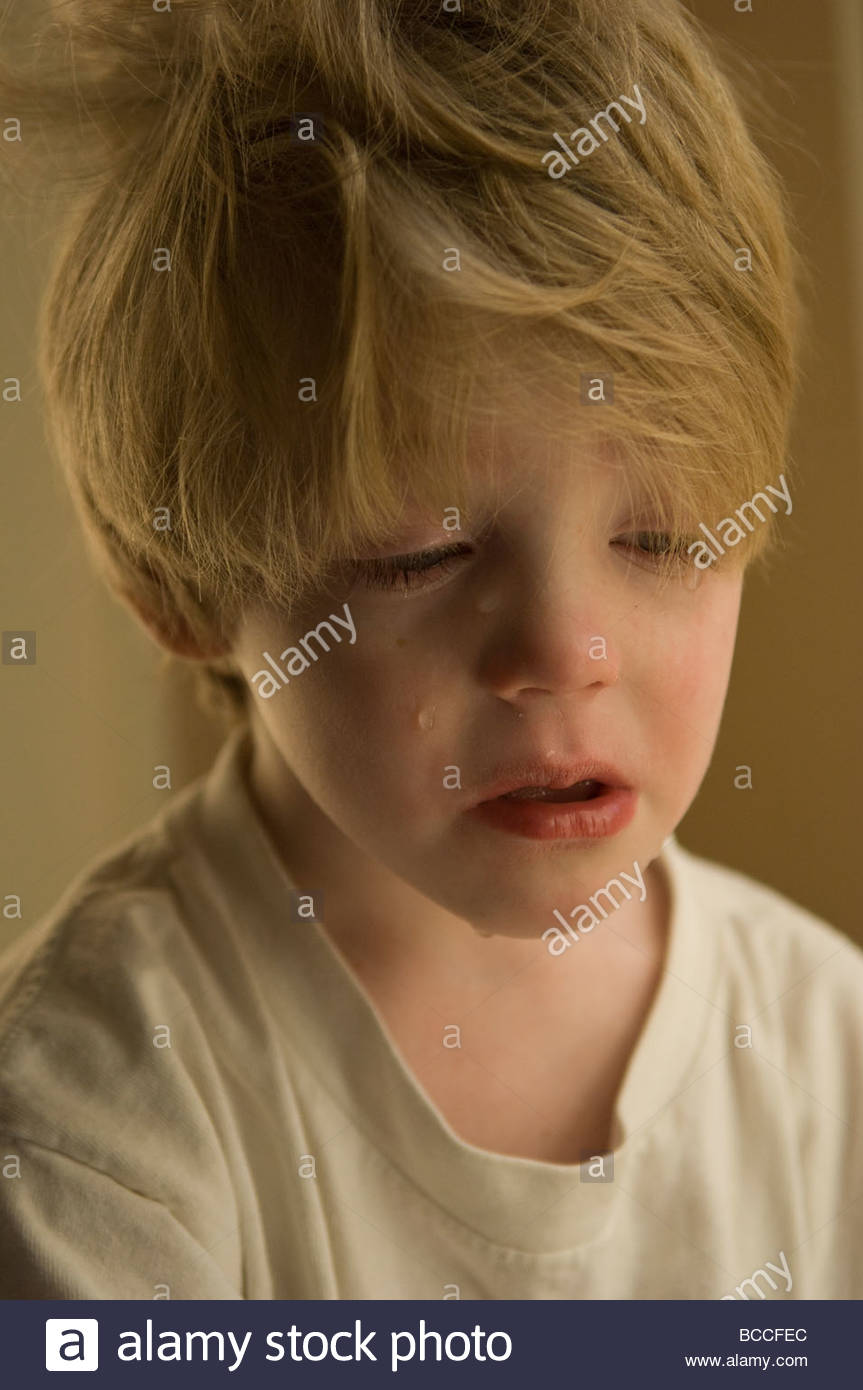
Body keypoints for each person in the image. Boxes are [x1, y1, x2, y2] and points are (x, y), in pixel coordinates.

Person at [0, 0, 860, 1299]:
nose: (566, 649)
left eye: (665, 539)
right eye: (420, 556)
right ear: (182, 587)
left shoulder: (826, 1054)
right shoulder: (100, 1115)